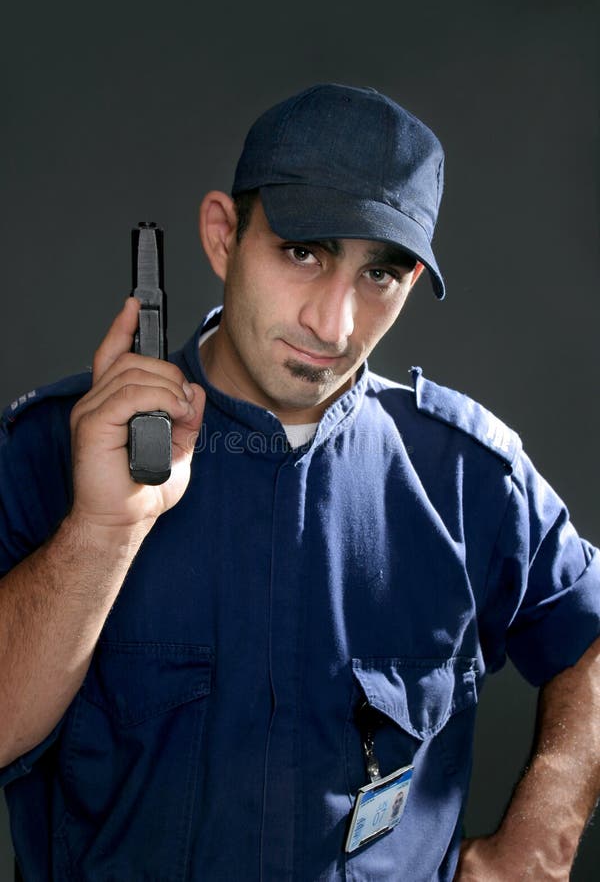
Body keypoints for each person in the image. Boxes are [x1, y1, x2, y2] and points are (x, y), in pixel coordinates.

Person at [0, 83, 598, 882]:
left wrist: (542, 841)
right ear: (222, 236)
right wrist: (101, 530)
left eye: (380, 274)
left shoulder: (468, 477)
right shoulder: (52, 451)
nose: (334, 324)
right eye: (303, 253)